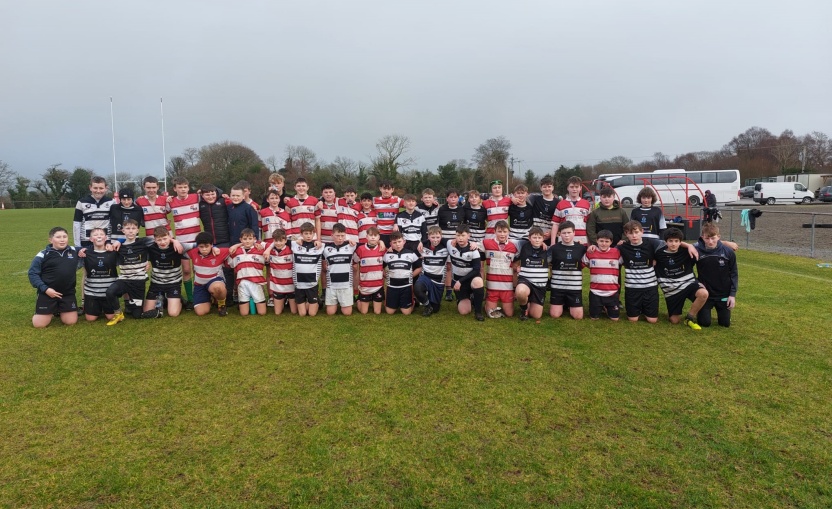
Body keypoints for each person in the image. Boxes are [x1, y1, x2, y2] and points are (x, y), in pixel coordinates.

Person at [618, 220, 697, 323]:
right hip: (632, 288)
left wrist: (689, 245)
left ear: (642, 232)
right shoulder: (622, 247)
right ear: (626, 234)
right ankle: (638, 309)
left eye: (636, 232)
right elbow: (607, 250)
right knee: (633, 319)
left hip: (650, 287)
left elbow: (672, 241)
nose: (634, 236)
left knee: (652, 320)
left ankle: (644, 308)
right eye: (630, 233)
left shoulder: (652, 243)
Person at [72, 175, 113, 314]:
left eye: (101, 188)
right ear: (90, 187)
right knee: (87, 271)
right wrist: (78, 245)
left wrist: (109, 241)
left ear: (106, 188)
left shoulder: (110, 202)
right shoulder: (82, 202)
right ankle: (85, 302)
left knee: (106, 269)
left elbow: (112, 222)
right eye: (95, 188)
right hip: (86, 243)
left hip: (104, 242)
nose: (98, 190)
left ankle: (105, 299)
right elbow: (76, 224)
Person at [654, 227, 708, 330]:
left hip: (688, 284)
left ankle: (689, 318)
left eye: (676, 241)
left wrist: (689, 246)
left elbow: (706, 243)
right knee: (674, 321)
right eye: (670, 241)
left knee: (703, 294)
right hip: (672, 291)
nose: (673, 244)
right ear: (665, 242)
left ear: (680, 242)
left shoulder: (687, 251)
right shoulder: (659, 254)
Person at [29, 226, 80, 328]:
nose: (62, 240)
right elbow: (32, 274)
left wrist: (110, 245)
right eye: (58, 237)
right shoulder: (43, 254)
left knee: (70, 322)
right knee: (39, 325)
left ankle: (59, 309)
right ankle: (48, 309)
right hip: (48, 293)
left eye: (64, 236)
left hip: (67, 293)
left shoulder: (74, 251)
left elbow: (92, 248)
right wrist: (46, 289)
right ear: (51, 239)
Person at [104, 219, 152, 324]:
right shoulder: (118, 247)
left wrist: (148, 260)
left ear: (138, 230)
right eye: (128, 228)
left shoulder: (143, 242)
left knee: (137, 315)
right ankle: (118, 313)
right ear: (123, 231)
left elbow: (159, 239)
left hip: (138, 282)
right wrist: (118, 241)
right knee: (110, 292)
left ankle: (134, 303)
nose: (131, 231)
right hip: (124, 280)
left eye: (133, 228)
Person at [694, 222, 738, 327]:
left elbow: (734, 274)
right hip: (707, 295)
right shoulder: (696, 250)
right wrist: (697, 283)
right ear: (702, 237)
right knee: (705, 323)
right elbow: (687, 270)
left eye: (713, 238)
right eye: (707, 238)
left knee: (725, 324)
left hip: (723, 294)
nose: (710, 241)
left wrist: (732, 295)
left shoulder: (728, 252)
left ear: (718, 237)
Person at [139, 226, 187, 319]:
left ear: (169, 236)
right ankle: (163, 298)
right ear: (155, 240)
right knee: (147, 311)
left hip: (173, 283)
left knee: (173, 313)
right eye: (159, 240)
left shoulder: (178, 246)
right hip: (156, 283)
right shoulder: (151, 247)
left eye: (165, 239)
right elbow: (134, 240)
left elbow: (197, 244)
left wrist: (175, 241)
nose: (162, 242)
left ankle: (179, 300)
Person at [168, 176, 201, 308]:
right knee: (186, 270)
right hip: (182, 242)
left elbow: (214, 194)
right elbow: (162, 216)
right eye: (180, 187)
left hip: (197, 241)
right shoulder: (170, 202)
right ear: (175, 189)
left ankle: (200, 296)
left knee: (197, 269)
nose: (183, 189)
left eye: (185, 187)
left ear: (188, 187)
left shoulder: (196, 197)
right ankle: (190, 298)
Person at [548, 221, 587, 319]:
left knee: (578, 317)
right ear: (559, 234)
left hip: (574, 288)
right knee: (555, 315)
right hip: (558, 287)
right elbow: (545, 262)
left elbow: (591, 257)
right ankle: (563, 303)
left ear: (574, 233)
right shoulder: (554, 249)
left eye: (569, 232)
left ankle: (569, 303)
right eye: (564, 233)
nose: (566, 235)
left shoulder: (581, 248)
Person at [78, 227, 118, 322]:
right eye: (95, 235)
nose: (99, 237)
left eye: (101, 235)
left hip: (108, 293)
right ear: (91, 239)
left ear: (106, 238)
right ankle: (95, 307)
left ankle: (105, 307)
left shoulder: (113, 252)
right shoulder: (85, 253)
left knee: (111, 317)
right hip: (92, 292)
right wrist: (79, 250)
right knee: (90, 318)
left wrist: (145, 263)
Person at [187, 231, 230, 317]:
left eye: (207, 246)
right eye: (201, 247)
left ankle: (221, 304)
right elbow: (179, 247)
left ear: (211, 245)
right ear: (197, 246)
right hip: (200, 285)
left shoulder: (219, 252)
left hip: (215, 281)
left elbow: (234, 249)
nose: (204, 249)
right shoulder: (193, 252)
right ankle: (209, 298)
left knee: (218, 288)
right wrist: (173, 241)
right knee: (201, 312)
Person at [447, 225, 485, 321]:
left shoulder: (473, 250)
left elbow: (477, 269)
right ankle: (469, 298)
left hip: (469, 279)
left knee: (478, 282)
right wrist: (422, 243)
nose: (460, 238)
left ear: (468, 236)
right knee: (464, 311)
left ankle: (478, 312)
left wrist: (460, 281)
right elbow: (436, 240)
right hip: (458, 282)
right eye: (458, 235)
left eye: (463, 235)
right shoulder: (450, 244)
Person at [582, 229, 621, 321]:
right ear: (597, 241)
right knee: (594, 318)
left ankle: (608, 307)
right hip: (596, 291)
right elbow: (581, 264)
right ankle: (600, 307)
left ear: (611, 242)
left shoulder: (617, 252)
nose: (604, 244)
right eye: (601, 241)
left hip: (612, 292)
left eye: (607, 241)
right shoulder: (591, 252)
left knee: (614, 319)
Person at [227, 228, 268, 316]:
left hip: (256, 283)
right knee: (244, 313)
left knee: (262, 312)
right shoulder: (235, 251)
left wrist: (258, 244)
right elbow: (229, 263)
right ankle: (248, 301)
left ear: (254, 239)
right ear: (241, 240)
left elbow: (271, 245)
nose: (247, 241)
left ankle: (256, 300)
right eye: (245, 239)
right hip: (242, 283)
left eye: (250, 239)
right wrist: (237, 246)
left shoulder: (260, 250)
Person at [482, 220, 518, 318]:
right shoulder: (486, 243)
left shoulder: (514, 246)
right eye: (499, 231)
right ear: (494, 232)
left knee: (509, 314)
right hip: (492, 287)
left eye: (505, 232)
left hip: (507, 287)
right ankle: (489, 303)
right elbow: (471, 244)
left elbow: (530, 243)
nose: (502, 234)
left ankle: (503, 305)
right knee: (491, 313)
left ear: (508, 232)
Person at [513, 227, 550, 322]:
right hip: (526, 280)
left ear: (543, 238)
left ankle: (529, 300)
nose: (537, 240)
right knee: (521, 292)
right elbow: (508, 240)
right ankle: (524, 309)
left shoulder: (548, 249)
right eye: (534, 237)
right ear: (529, 238)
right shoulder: (523, 245)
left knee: (536, 316)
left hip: (540, 286)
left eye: (539, 238)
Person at [290, 222, 325, 317]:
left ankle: (316, 301)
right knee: (302, 314)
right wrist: (296, 239)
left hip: (312, 283)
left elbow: (337, 243)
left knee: (312, 314)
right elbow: (279, 240)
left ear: (314, 234)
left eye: (310, 233)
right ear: (301, 234)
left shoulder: (319, 246)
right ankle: (308, 301)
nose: (308, 236)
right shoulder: (295, 244)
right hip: (299, 283)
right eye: (306, 233)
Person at [414, 225, 449, 317]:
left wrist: (473, 244)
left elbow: (455, 243)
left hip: (439, 280)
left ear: (441, 236)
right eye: (432, 237)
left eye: (438, 237)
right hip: (426, 276)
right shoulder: (423, 246)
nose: (435, 240)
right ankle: (427, 306)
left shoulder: (446, 247)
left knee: (436, 309)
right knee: (417, 288)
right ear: (428, 236)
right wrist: (421, 242)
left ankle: (430, 300)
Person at [322, 223, 357, 315]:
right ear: (332, 235)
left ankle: (343, 302)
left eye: (342, 236)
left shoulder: (351, 246)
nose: (340, 238)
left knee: (347, 313)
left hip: (346, 286)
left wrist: (381, 242)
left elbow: (370, 244)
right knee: (330, 313)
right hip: (331, 286)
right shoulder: (325, 248)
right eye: (337, 235)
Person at [383, 231, 421, 315]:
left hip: (406, 286)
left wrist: (411, 276)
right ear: (391, 244)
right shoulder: (387, 255)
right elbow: (380, 268)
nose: (397, 244)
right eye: (394, 242)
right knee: (389, 312)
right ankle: (395, 302)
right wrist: (386, 276)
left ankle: (413, 301)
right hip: (392, 287)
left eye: (399, 241)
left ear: (404, 241)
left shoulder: (411, 253)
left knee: (406, 313)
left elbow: (420, 267)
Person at [353, 226, 386, 315]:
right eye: (370, 235)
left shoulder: (382, 249)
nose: (373, 237)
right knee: (364, 312)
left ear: (379, 238)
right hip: (365, 285)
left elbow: (387, 261)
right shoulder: (361, 249)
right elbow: (354, 261)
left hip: (378, 285)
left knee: (377, 312)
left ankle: (375, 299)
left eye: (375, 235)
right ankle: (359, 301)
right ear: (366, 236)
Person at [264, 228, 297, 316]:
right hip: (277, 285)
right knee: (277, 313)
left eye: (281, 241)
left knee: (294, 311)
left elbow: (301, 241)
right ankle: (282, 300)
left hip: (291, 285)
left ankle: (288, 300)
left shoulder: (292, 248)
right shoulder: (269, 249)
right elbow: (255, 243)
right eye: (276, 241)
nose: (278, 243)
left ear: (286, 240)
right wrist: (268, 249)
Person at [438, 188, 463, 300]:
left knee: (457, 265)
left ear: (458, 198)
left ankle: (461, 288)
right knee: (447, 266)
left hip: (459, 241)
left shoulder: (463, 210)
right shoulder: (441, 209)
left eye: (455, 197)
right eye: (450, 197)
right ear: (447, 198)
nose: (453, 199)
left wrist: (458, 239)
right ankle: (448, 291)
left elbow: (465, 226)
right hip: (444, 242)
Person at [551, 176, 591, 245]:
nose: (574, 189)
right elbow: (555, 224)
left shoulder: (586, 204)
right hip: (564, 241)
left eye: (576, 187)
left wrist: (590, 243)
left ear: (580, 188)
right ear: (568, 188)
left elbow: (590, 225)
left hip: (582, 241)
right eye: (572, 187)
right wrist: (553, 242)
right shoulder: (560, 204)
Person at [528, 176, 559, 244]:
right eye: (544, 187)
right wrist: (512, 198)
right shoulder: (534, 199)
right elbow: (521, 198)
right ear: (541, 188)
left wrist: (552, 232)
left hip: (550, 236)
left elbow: (560, 221)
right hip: (536, 236)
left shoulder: (558, 202)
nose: (547, 189)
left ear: (553, 187)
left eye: (549, 186)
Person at [373, 180, 402, 247]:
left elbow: (411, 205)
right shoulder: (375, 200)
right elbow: (360, 205)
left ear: (392, 190)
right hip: (380, 233)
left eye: (388, 189)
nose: (386, 191)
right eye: (384, 189)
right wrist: (344, 199)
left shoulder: (397, 200)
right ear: (380, 189)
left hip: (393, 233)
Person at [508, 184, 535, 249]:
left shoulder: (531, 208)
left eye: (522, 193)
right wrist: (511, 198)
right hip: (512, 238)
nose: (520, 195)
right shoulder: (511, 207)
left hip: (526, 238)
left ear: (527, 194)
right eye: (518, 193)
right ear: (514, 194)